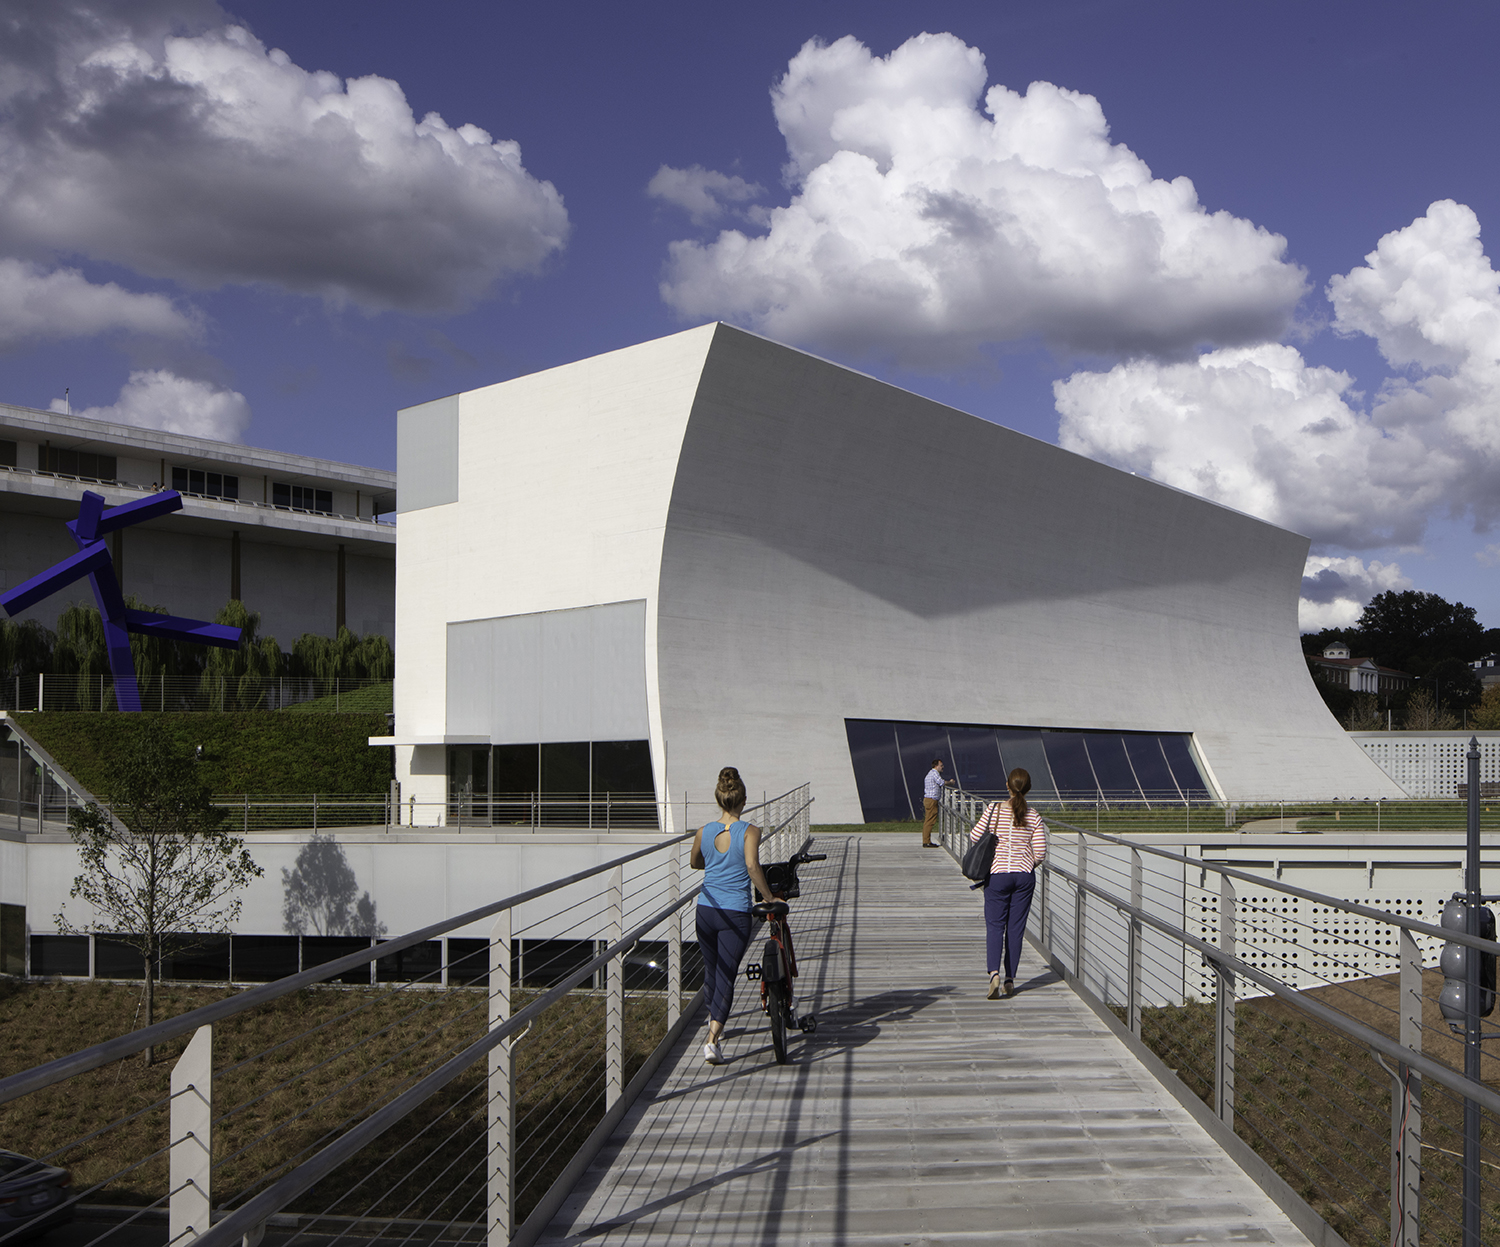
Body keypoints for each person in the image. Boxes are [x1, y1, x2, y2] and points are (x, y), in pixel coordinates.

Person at [691, 765, 777, 1065]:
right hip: (735, 912)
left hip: (705, 909)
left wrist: (717, 864)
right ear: (743, 800)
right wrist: (769, 897)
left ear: (719, 799)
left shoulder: (704, 831)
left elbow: (695, 863)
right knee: (727, 974)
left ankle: (714, 1021)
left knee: (712, 970)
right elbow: (753, 866)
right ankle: (712, 1039)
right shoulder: (750, 831)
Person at [970, 767, 1048, 999]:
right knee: (1015, 929)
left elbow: (974, 836)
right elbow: (1041, 852)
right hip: (1024, 876)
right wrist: (1026, 863)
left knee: (995, 926)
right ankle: (1010, 979)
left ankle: (994, 974)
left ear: (1007, 786)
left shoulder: (994, 809)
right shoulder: (1033, 815)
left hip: (997, 875)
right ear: (1028, 788)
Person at [920, 758, 953, 847]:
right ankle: (926, 842)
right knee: (930, 821)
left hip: (928, 799)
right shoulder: (934, 773)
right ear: (936, 766)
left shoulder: (929, 774)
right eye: (941, 765)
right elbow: (941, 782)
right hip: (931, 800)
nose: (943, 767)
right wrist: (950, 782)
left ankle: (926, 840)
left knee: (928, 820)